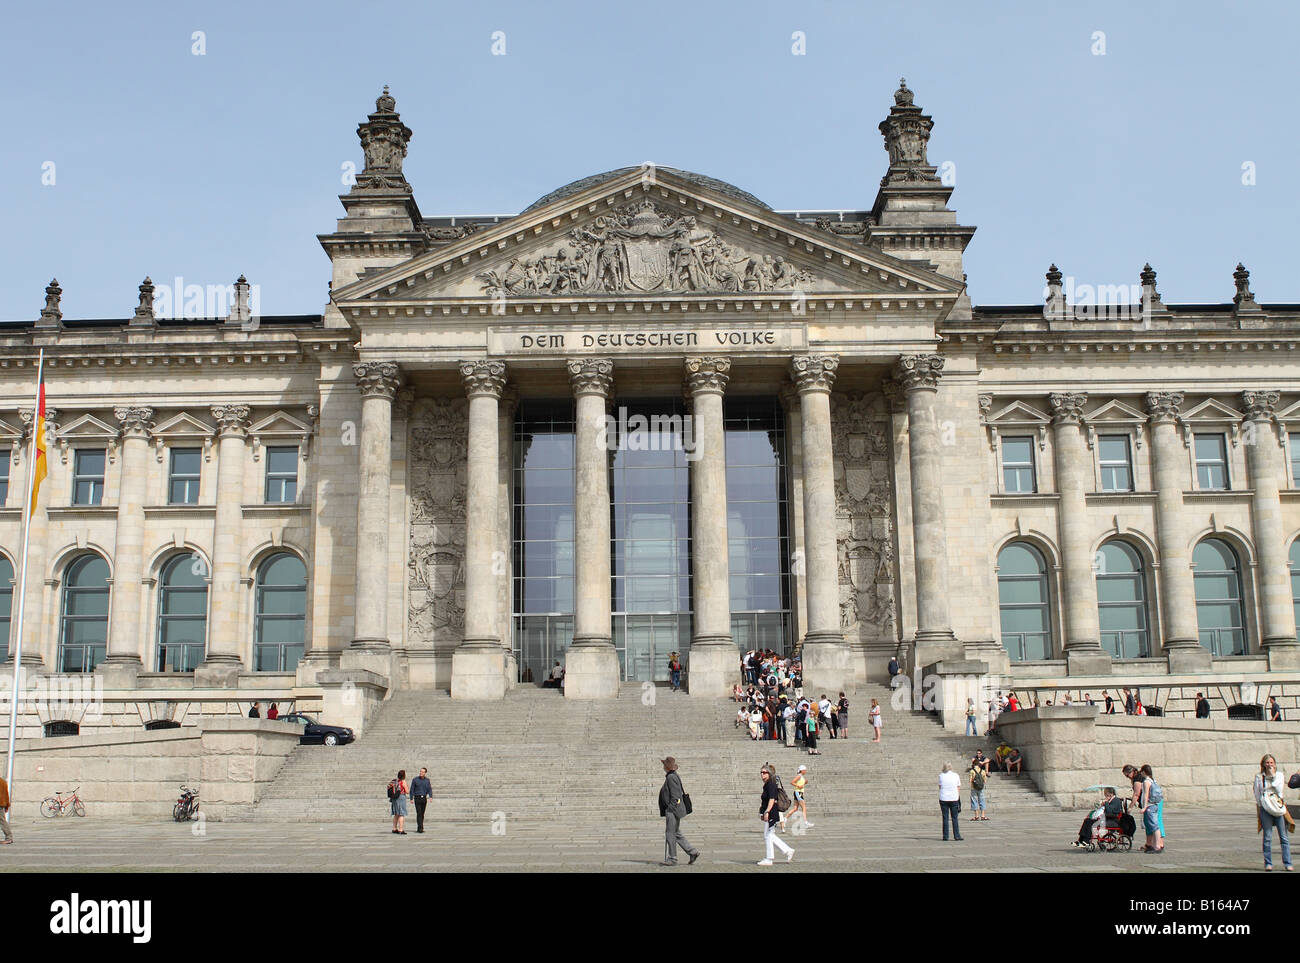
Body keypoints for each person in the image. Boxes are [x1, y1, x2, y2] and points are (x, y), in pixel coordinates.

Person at [1254, 754, 1294, 871]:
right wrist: (1261, 804)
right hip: (1266, 808)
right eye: (1267, 763)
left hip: (1278, 808)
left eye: (1271, 763)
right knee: (1267, 836)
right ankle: (1268, 863)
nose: (1269, 765)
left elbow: (1279, 791)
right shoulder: (1259, 777)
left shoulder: (1279, 775)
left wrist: (1272, 776)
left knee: (1284, 837)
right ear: (1263, 764)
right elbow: (1257, 792)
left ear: (1275, 764)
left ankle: (1287, 863)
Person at [658, 757, 699, 866]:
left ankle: (672, 858)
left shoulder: (671, 777)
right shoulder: (672, 776)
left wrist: (670, 808)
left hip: (673, 810)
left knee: (670, 834)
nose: (662, 767)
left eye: (664, 765)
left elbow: (676, 796)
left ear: (666, 767)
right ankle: (692, 852)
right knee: (676, 833)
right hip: (675, 809)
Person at [757, 766, 794, 865]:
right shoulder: (767, 785)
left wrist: (767, 812)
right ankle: (787, 850)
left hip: (771, 813)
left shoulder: (771, 784)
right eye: (761, 772)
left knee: (768, 836)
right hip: (769, 812)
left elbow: (772, 799)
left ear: (769, 773)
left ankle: (769, 859)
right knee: (769, 835)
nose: (762, 774)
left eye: (764, 772)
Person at [939, 764, 963, 841]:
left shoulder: (941, 775)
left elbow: (940, 786)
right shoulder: (956, 775)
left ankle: (945, 836)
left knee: (945, 817)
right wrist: (957, 796)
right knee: (954, 818)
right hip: (954, 798)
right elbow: (958, 787)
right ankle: (957, 835)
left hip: (944, 798)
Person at [410, 767, 432, 834]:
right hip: (417, 798)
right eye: (420, 771)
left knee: (422, 814)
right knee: (419, 813)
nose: (421, 773)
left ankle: (420, 827)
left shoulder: (427, 780)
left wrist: (430, 796)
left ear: (425, 773)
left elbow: (429, 789)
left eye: (422, 772)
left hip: (424, 798)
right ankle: (420, 828)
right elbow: (412, 789)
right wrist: (411, 798)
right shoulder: (415, 780)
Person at [790, 764, 813, 829]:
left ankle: (785, 818)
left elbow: (800, 784)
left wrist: (804, 782)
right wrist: (798, 786)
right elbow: (792, 782)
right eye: (805, 770)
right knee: (804, 808)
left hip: (799, 793)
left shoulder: (801, 776)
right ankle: (805, 823)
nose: (805, 771)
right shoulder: (799, 776)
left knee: (795, 808)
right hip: (798, 793)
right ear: (801, 770)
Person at [389, 769, 408, 835]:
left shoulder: (395, 781)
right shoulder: (403, 782)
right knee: (401, 814)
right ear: (404, 775)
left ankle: (394, 828)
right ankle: (401, 829)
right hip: (401, 797)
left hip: (394, 798)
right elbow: (407, 791)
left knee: (396, 814)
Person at [0, 773, 11, 845]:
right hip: (2, 804)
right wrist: (7, 805)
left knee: (2, 821)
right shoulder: (3, 782)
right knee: (3, 821)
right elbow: (6, 795)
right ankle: (9, 837)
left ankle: (9, 837)